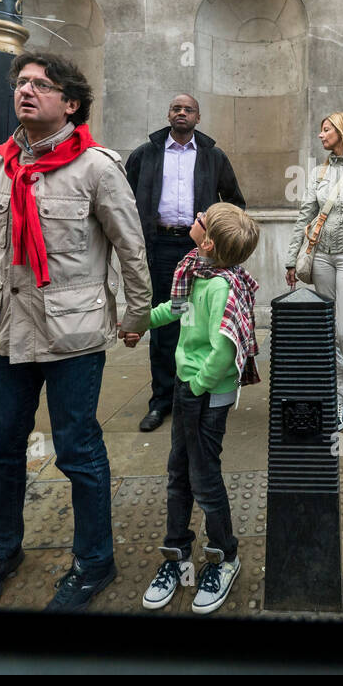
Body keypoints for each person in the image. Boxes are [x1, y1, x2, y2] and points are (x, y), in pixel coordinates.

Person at [0, 53, 152, 611]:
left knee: (77, 449)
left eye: (42, 84)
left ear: (71, 103)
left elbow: (131, 249)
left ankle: (95, 561)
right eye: (21, 82)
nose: (26, 90)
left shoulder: (96, 166)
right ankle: (1, 550)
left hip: (74, 336)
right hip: (8, 333)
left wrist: (135, 318)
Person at [123, 202, 260, 615]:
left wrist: (196, 386)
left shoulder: (221, 287)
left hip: (204, 393)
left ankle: (224, 556)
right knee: (177, 473)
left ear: (209, 240)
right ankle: (176, 555)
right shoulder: (199, 275)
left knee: (203, 478)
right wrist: (140, 322)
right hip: (188, 388)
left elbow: (224, 348)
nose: (195, 217)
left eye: (201, 218)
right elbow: (177, 309)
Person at [125, 94, 245, 433]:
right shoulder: (145, 154)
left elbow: (235, 202)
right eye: (176, 108)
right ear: (168, 113)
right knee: (166, 320)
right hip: (160, 245)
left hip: (200, 247)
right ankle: (162, 400)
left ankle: (197, 388)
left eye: (187, 109)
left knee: (201, 319)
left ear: (198, 117)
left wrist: (220, 237)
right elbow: (122, 199)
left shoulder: (213, 156)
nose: (181, 112)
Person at [284, 112, 343, 433]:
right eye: (321, 130)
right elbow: (305, 215)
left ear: (342, 131)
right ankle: (338, 396)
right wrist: (291, 258)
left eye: (326, 130)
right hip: (321, 257)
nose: (321, 135)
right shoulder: (319, 171)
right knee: (329, 333)